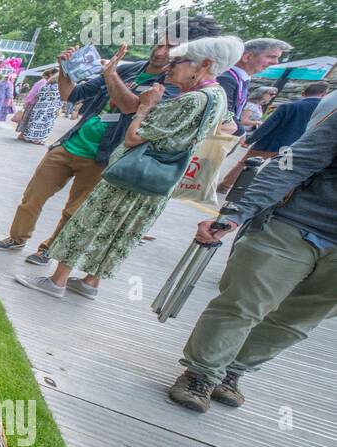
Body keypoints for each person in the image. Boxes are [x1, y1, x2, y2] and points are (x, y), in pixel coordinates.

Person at [15, 36, 242, 299]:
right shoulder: (217, 96)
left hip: (132, 171)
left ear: (204, 64)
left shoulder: (191, 99)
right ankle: (90, 283)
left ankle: (57, 280)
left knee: (89, 221)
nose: (171, 64)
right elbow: (229, 126)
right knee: (121, 231)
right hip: (158, 178)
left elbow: (135, 136)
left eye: (179, 60)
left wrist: (145, 108)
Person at [0, 15, 222, 265]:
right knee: (32, 197)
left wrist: (110, 73)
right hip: (72, 142)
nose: (161, 51)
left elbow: (130, 107)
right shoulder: (129, 68)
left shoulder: (174, 86)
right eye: (160, 43)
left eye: (170, 48)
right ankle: (17, 238)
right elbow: (72, 94)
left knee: (74, 210)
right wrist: (65, 70)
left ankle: (49, 249)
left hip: (105, 155)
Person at [167, 98, 337, 412]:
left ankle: (232, 371)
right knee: (245, 302)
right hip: (295, 222)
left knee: (296, 322)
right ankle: (202, 373)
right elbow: (292, 162)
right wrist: (238, 212)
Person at [216, 83, 331, 193]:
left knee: (245, 164)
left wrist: (249, 140)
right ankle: (259, 194)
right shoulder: (325, 112)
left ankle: (225, 186)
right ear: (323, 94)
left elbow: (268, 125)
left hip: (269, 143)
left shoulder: (289, 107)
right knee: (279, 172)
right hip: (293, 147)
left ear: (303, 93)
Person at [218, 37, 286, 134]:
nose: (276, 62)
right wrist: (241, 133)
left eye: (277, 57)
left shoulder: (241, 79)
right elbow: (223, 113)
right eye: (271, 56)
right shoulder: (226, 78)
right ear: (247, 56)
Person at [21, 76, 61, 144]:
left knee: (34, 122)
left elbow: (38, 95)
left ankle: (28, 137)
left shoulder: (44, 86)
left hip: (38, 107)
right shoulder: (58, 88)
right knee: (45, 124)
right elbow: (59, 98)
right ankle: (39, 139)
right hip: (50, 108)